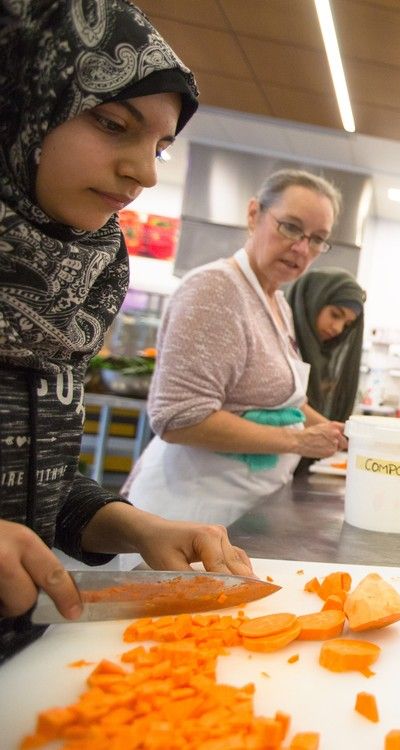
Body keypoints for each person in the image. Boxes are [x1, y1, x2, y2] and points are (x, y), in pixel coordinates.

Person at [0, 0, 253, 663]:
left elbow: (34, 483)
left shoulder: (77, 280)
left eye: (161, 146)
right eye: (113, 124)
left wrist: (134, 526)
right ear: (23, 98)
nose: (146, 171)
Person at [124, 170, 348, 527]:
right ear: (254, 214)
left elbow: (285, 400)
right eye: (290, 227)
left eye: (317, 239)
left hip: (239, 508)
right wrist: (297, 442)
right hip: (188, 511)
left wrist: (343, 436)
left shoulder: (276, 302)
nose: (302, 248)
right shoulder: (214, 291)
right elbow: (180, 418)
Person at [286, 268, 365, 423]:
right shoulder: (279, 342)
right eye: (335, 315)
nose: (338, 328)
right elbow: (287, 406)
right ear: (312, 301)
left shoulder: (324, 360)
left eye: (347, 324)